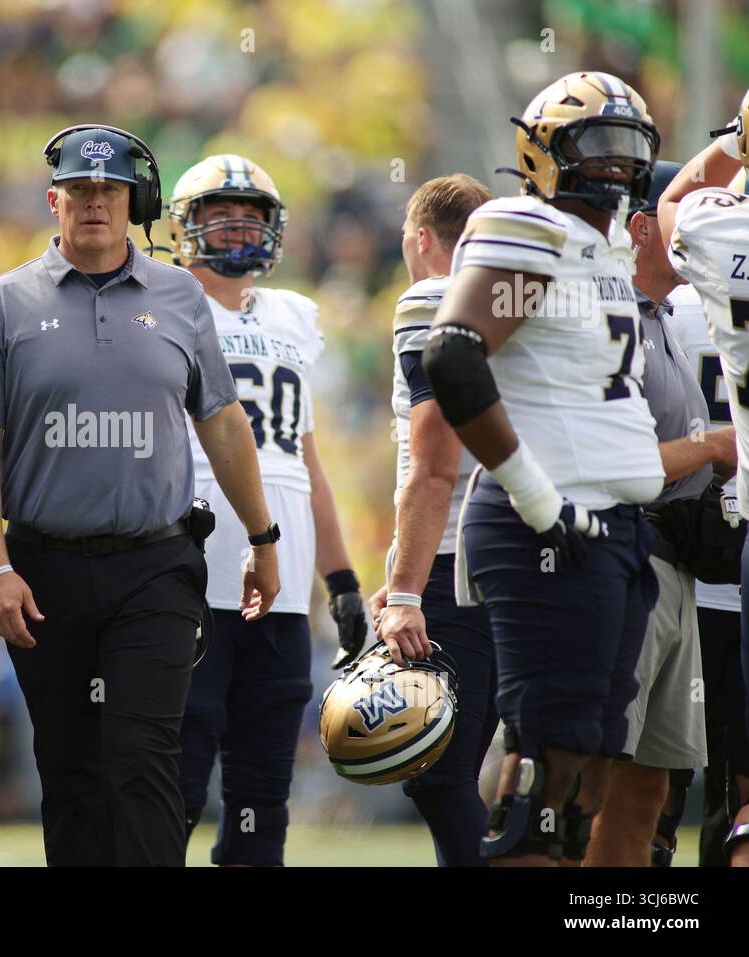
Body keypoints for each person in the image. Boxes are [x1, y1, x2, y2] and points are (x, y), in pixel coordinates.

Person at [0, 125, 280, 867]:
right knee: (71, 769)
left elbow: (223, 423)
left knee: (144, 755)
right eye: (83, 190)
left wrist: (263, 538)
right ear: (54, 199)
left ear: (133, 201)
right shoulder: (3, 304)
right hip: (42, 567)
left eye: (111, 190)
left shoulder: (181, 294)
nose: (97, 203)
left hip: (154, 565)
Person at [422, 73, 664, 866]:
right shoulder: (529, 223)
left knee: (590, 765)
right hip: (554, 524)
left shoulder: (602, 245)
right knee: (542, 775)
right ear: (543, 151)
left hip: (613, 527)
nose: (614, 164)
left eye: (629, 148)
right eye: (595, 144)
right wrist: (538, 499)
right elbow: (454, 357)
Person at [165, 153, 362, 865]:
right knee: (176, 788)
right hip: (190, 576)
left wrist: (340, 581)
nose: (240, 228)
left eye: (253, 215)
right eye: (222, 214)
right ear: (185, 227)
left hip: (284, 592)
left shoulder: (295, 317)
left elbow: (307, 463)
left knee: (261, 801)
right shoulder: (162, 302)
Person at [585, 160, 736, 866]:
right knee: (593, 776)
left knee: (651, 785)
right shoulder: (610, 310)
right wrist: (710, 446)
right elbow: (619, 458)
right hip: (632, 552)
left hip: (683, 567)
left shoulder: (668, 315)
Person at [365, 173, 499, 867]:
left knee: (438, 769)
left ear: (421, 238)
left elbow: (433, 460)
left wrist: (408, 586)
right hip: (528, 558)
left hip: (458, 564)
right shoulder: (517, 300)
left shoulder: (429, 297)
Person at [658, 89, 749, 864]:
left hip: (698, 556)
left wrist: (736, 138)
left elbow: (680, 199)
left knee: (654, 782)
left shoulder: (683, 296)